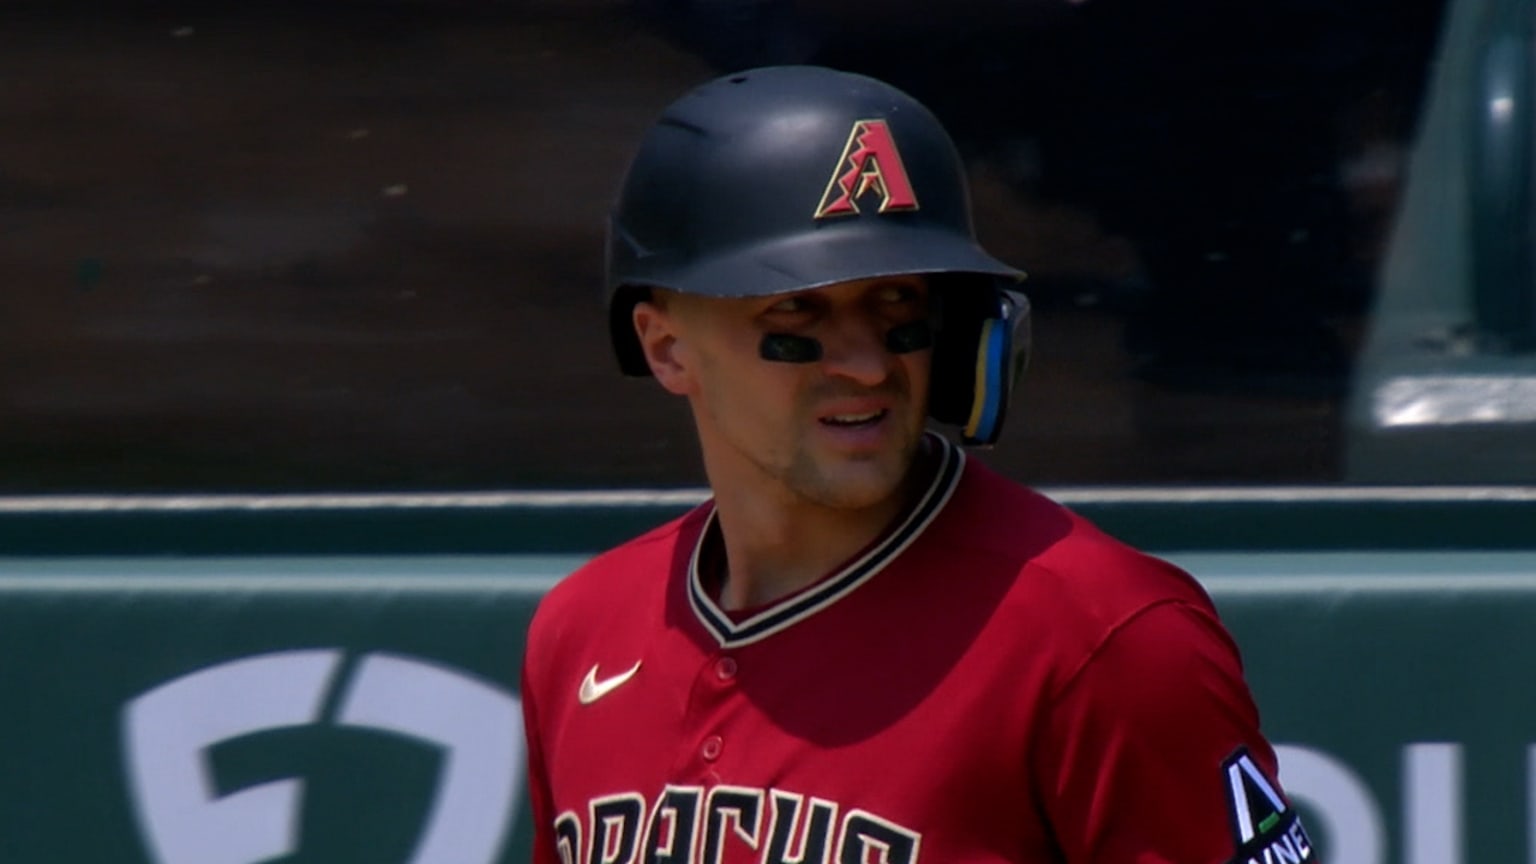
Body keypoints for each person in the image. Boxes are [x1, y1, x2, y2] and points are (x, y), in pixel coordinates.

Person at [520, 65, 1314, 864]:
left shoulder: (1102, 637)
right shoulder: (583, 630)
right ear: (665, 348)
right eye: (798, 310)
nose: (867, 364)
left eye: (898, 302)